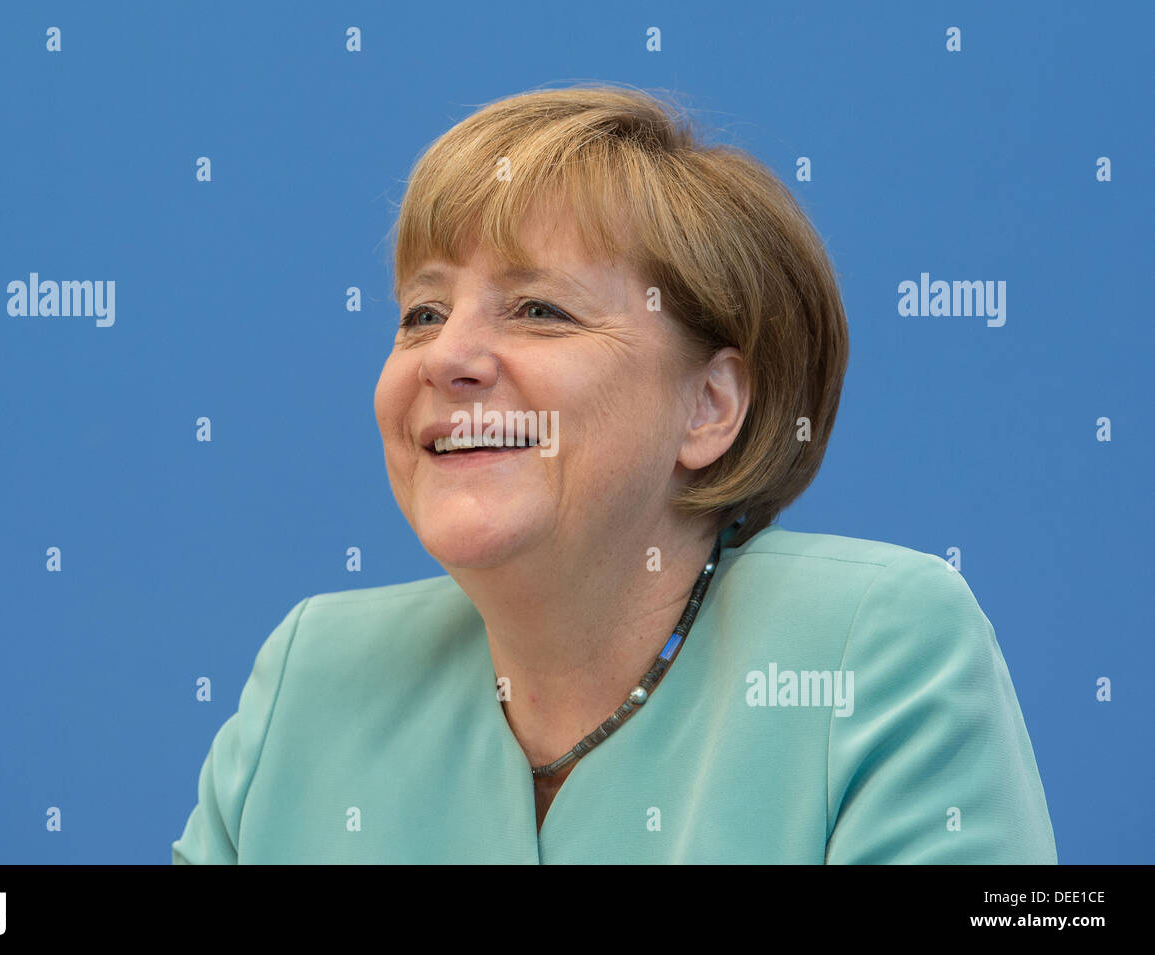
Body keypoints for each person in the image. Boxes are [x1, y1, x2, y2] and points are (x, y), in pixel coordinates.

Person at [172, 83, 1056, 863]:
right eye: (422, 312)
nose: (446, 357)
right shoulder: (315, 673)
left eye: (540, 309)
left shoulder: (876, 643)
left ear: (708, 407)